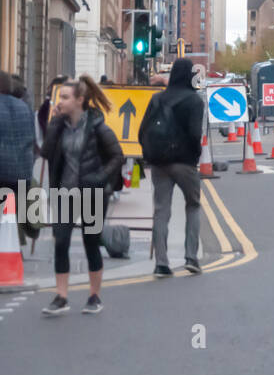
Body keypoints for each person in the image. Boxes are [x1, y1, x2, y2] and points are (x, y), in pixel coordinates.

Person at [39, 75, 125, 316]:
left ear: (79, 100)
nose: (60, 101)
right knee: (61, 243)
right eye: (60, 97)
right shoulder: (60, 125)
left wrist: (100, 177)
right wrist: (54, 123)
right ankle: (61, 296)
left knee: (90, 242)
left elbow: (118, 156)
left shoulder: (98, 126)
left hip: (92, 193)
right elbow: (46, 153)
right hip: (65, 192)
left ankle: (94, 296)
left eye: (65, 97)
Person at [138, 58, 206, 277]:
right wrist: (194, 155)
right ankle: (191, 258)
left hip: (160, 163)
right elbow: (196, 134)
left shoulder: (157, 99)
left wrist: (150, 155)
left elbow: (142, 131)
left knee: (161, 211)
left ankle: (161, 264)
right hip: (185, 162)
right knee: (193, 205)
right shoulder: (194, 101)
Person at [0, 72, 36, 218]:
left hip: (2, 175)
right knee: (10, 217)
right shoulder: (24, 107)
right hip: (22, 174)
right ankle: (10, 238)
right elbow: (32, 138)